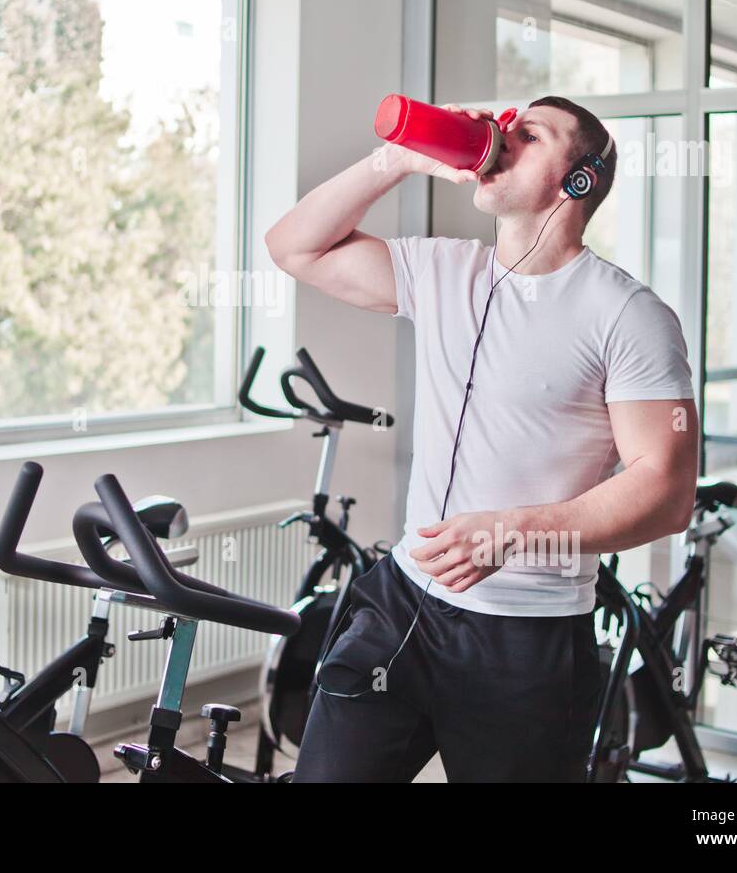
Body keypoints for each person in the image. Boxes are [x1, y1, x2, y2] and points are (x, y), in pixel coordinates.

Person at [266, 97, 699, 783]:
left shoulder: (627, 315)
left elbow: (667, 493)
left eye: (530, 135)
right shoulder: (443, 271)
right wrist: (400, 158)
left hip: (528, 644)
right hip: (401, 604)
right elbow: (295, 246)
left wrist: (514, 531)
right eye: (506, 125)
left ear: (579, 178)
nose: (500, 137)